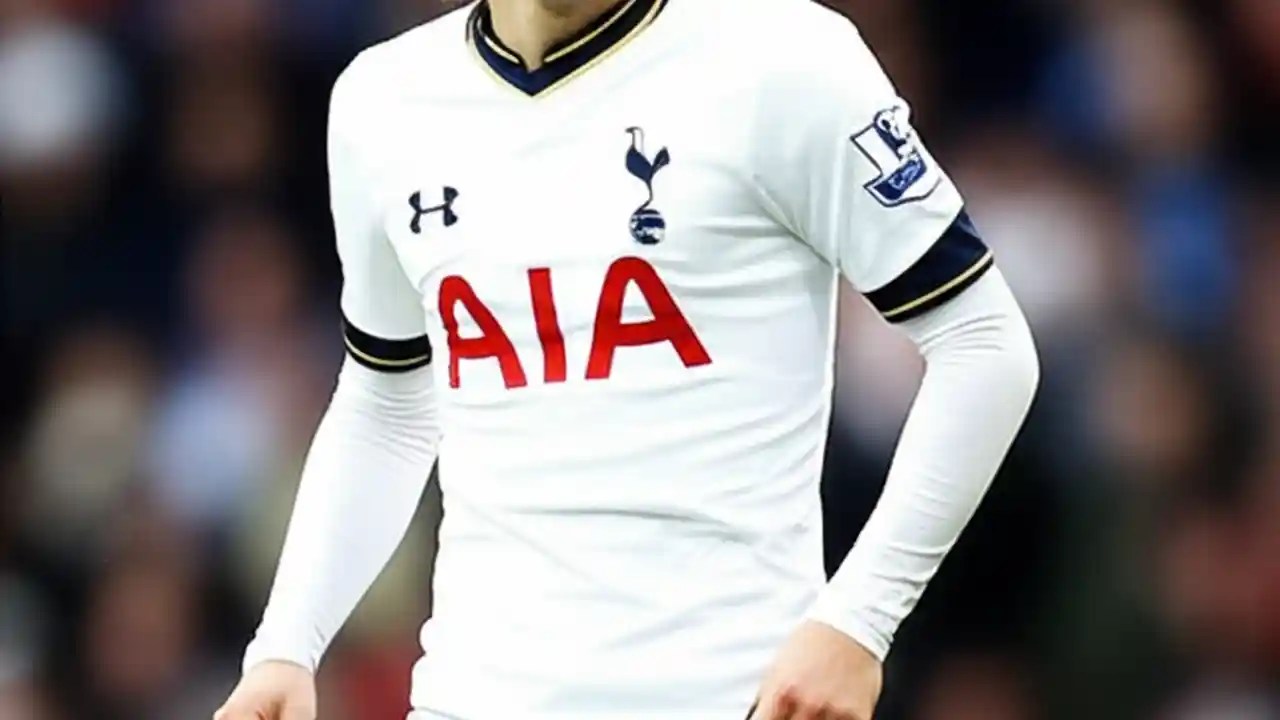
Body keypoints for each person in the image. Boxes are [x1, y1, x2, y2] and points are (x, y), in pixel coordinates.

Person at [215, 0, 1040, 718]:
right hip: (469, 699)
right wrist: (287, 643)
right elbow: (388, 401)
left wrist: (858, 621)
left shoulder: (785, 61)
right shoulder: (382, 102)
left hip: (728, 698)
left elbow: (984, 346)